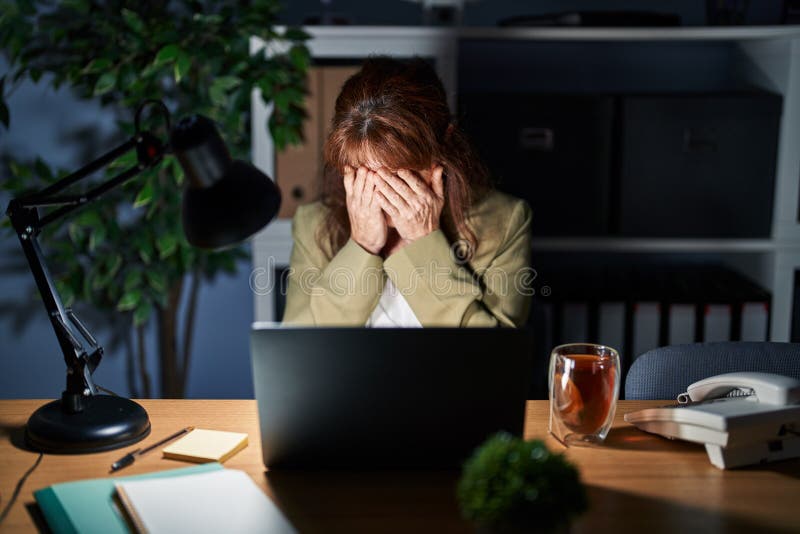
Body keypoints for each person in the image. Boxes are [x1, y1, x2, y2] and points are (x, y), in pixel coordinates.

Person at [282, 56, 533, 327]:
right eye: (366, 173)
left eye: (401, 172)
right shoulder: (313, 224)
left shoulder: (503, 221)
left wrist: (424, 241)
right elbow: (301, 346)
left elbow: (494, 350)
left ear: (443, 145)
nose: (385, 192)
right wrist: (362, 245)